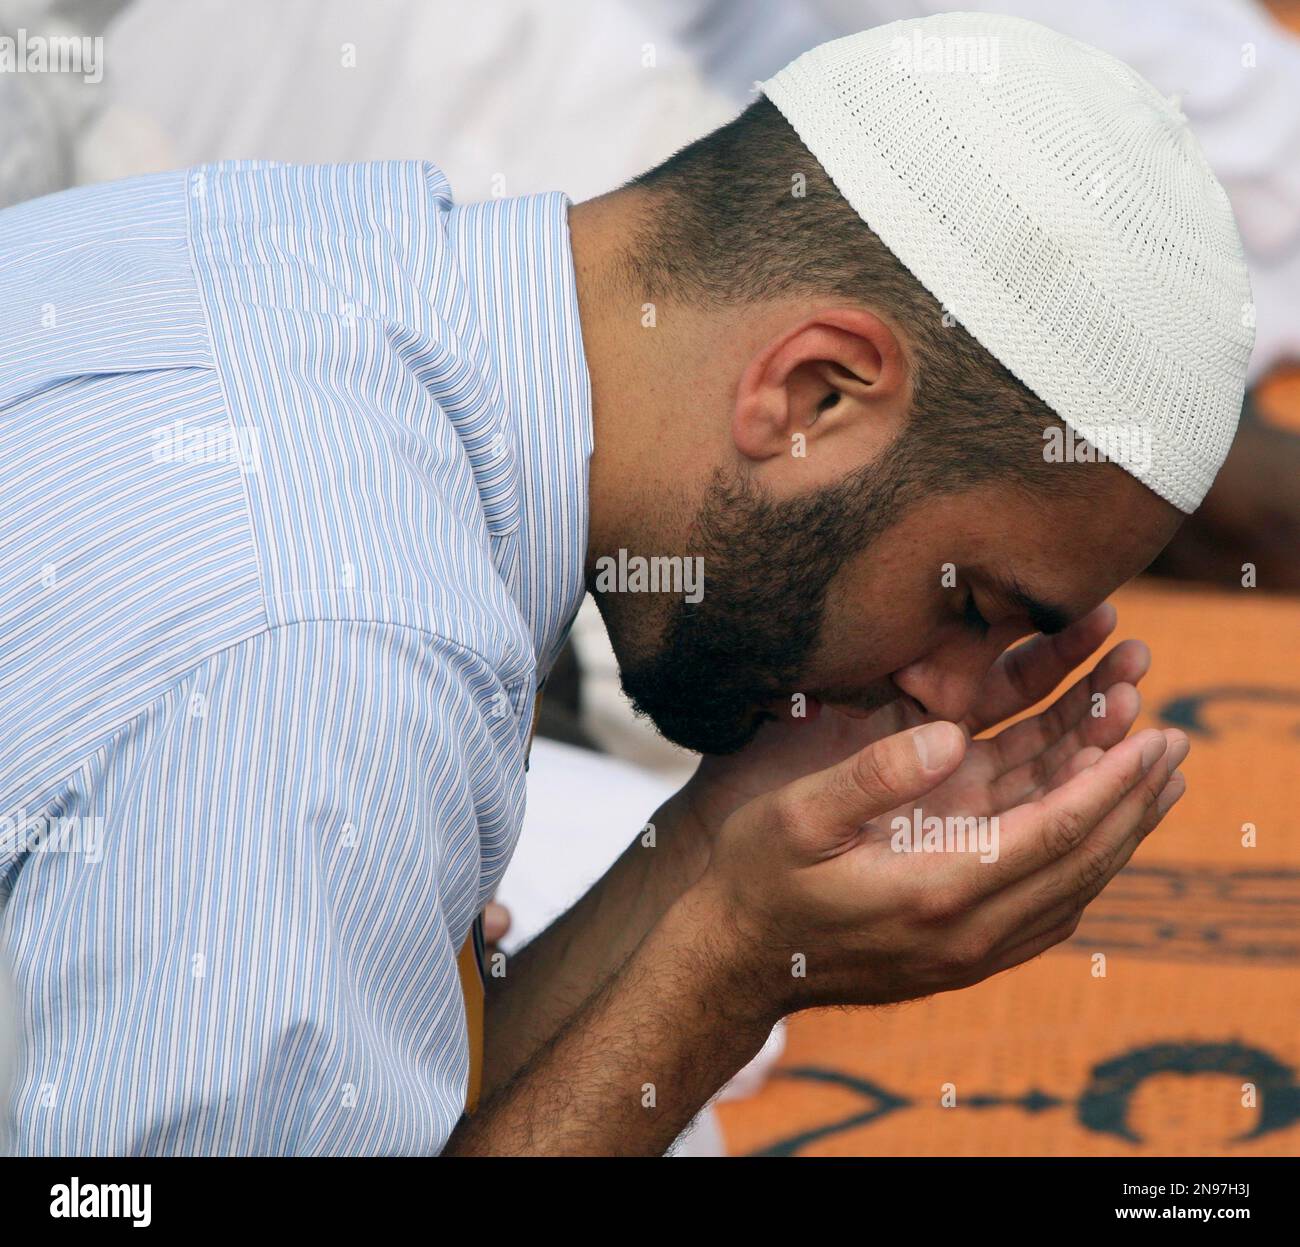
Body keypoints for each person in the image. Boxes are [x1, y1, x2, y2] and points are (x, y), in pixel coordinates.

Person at [0, 13, 1243, 1155]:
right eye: (968, 609)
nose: (947, 694)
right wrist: (734, 968)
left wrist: (711, 861)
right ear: (812, 394)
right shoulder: (338, 654)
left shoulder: (334, 254)